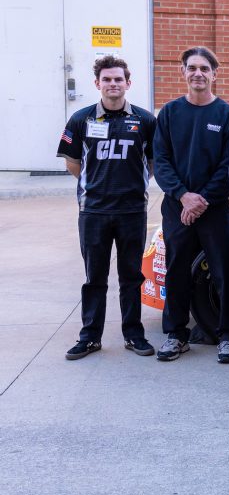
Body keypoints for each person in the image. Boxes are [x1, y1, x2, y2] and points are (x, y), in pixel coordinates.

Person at [56, 55, 156, 360]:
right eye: (107, 79)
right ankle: (90, 337)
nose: (113, 84)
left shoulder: (145, 121)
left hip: (132, 211)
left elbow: (153, 163)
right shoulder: (81, 119)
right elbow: (73, 163)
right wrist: (97, 184)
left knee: (131, 277)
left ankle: (133, 335)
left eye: (118, 79)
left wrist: (133, 183)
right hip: (93, 212)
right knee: (94, 278)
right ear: (97, 83)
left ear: (128, 83)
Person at [153, 46, 229, 364]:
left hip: (214, 208)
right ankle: (176, 335)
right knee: (176, 270)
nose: (198, 74)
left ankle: (228, 337)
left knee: (224, 271)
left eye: (205, 69)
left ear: (215, 74)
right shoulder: (169, 113)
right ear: (183, 72)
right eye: (192, 68)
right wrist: (183, 196)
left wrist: (202, 199)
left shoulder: (227, 115)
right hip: (177, 207)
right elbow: (160, 161)